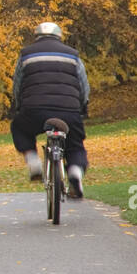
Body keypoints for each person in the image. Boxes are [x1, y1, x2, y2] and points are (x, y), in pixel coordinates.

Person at [10, 22, 90, 198]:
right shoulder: (73, 56)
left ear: (36, 36)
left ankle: (33, 161)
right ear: (59, 36)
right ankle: (75, 173)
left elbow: (18, 84)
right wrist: (82, 106)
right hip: (69, 112)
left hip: (34, 110)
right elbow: (84, 86)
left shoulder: (26, 55)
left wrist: (19, 106)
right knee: (75, 146)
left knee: (19, 128)